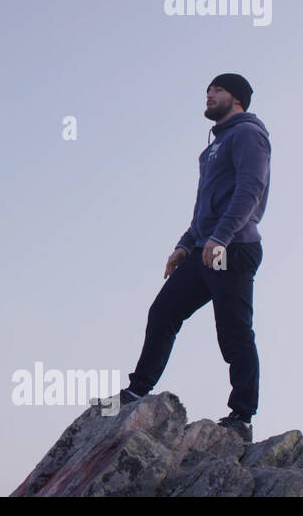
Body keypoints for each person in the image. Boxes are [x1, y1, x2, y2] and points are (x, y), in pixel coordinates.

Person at [114, 74, 270, 442]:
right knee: (164, 312)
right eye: (207, 90)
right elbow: (204, 207)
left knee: (233, 332)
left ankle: (242, 417)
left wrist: (222, 236)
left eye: (216, 90)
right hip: (205, 250)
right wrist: (184, 245)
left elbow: (251, 188)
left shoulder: (249, 134)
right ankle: (137, 392)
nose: (208, 95)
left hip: (232, 248)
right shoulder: (212, 148)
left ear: (236, 99)